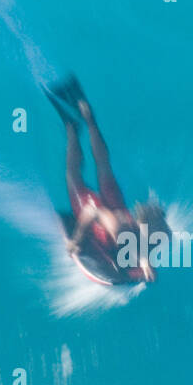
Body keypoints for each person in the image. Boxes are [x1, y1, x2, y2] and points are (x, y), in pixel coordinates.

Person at [45, 75, 168, 285]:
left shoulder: (152, 234)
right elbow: (92, 212)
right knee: (73, 174)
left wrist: (145, 262)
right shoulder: (120, 229)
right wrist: (76, 240)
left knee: (103, 165)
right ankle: (72, 129)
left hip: (115, 205)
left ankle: (89, 119)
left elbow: (142, 246)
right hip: (94, 210)